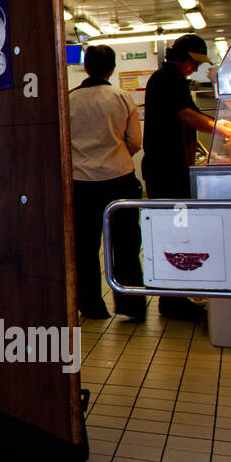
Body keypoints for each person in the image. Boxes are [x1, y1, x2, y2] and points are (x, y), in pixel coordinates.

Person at [140, 33, 231, 321]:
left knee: (178, 234)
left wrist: (220, 124)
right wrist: (224, 131)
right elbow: (186, 115)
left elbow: (193, 113)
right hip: (166, 169)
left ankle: (176, 295)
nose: (195, 68)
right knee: (172, 234)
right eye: (193, 63)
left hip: (172, 168)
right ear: (182, 58)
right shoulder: (166, 79)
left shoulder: (174, 80)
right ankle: (171, 300)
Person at [69, 44, 144, 321]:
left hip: (81, 183)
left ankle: (91, 306)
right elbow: (135, 141)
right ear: (112, 68)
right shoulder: (121, 97)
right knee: (125, 244)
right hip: (119, 180)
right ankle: (132, 305)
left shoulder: (70, 99)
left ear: (85, 67)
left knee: (85, 247)